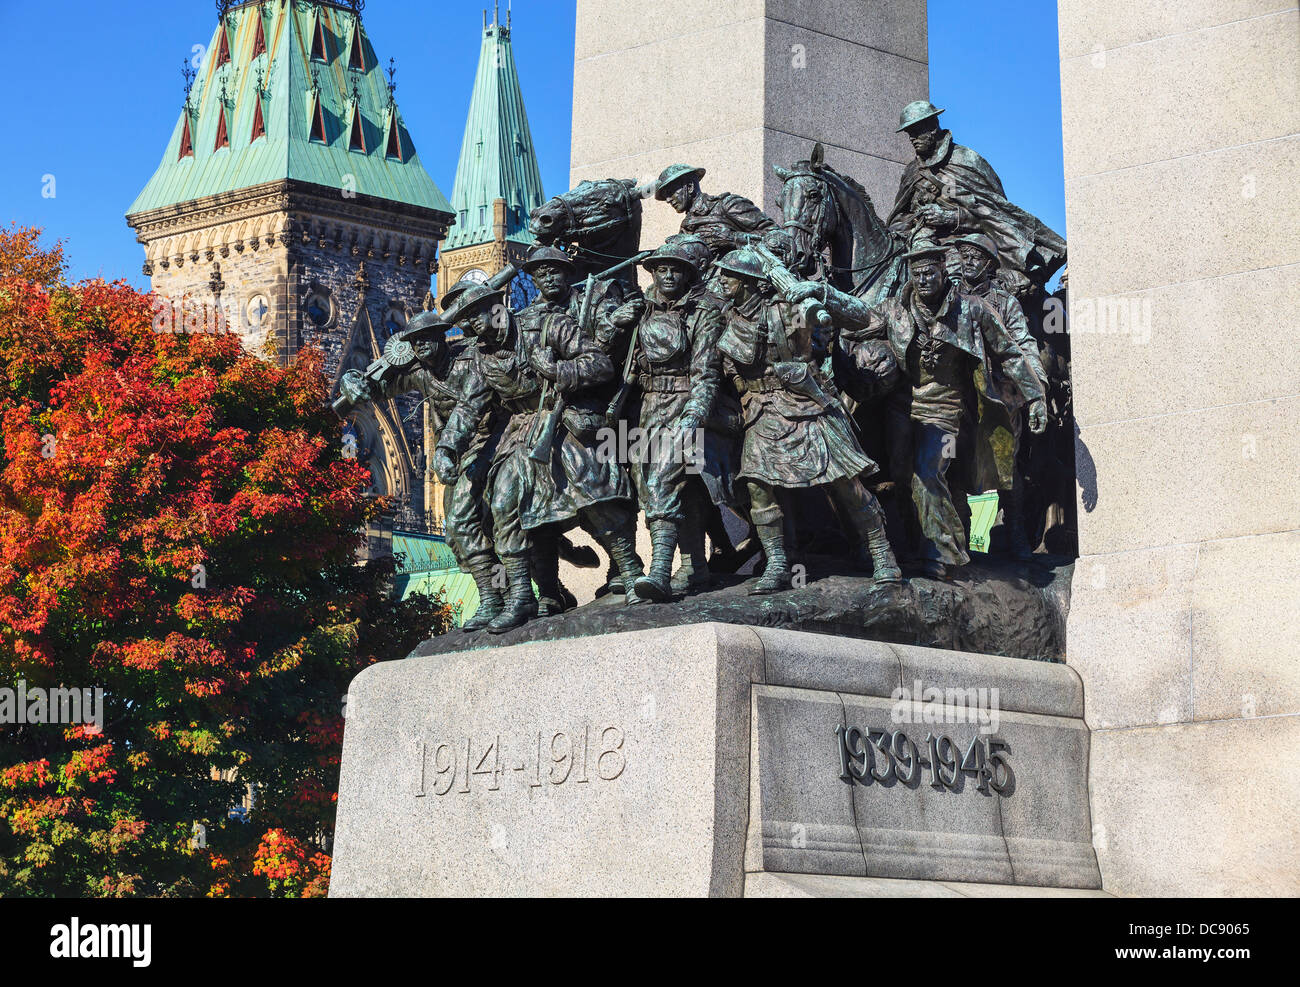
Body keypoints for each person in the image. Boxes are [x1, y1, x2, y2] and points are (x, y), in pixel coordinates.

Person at [790, 240, 1047, 580]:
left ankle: (940, 555)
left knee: (928, 470)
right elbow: (858, 313)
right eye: (917, 274)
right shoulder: (895, 309)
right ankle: (914, 546)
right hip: (903, 406)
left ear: (943, 271)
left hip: (947, 408)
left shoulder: (972, 310)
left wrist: (1035, 396)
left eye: (930, 273)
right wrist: (823, 293)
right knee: (899, 476)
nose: (924, 280)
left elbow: (1011, 354)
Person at [438, 278, 644, 633]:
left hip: (564, 419)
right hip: (520, 434)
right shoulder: (483, 356)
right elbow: (468, 408)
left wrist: (557, 372)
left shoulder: (548, 324)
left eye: (474, 317)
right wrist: (446, 448)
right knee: (503, 505)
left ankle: (631, 570)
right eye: (465, 321)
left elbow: (599, 363)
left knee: (592, 495)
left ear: (496, 309)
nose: (471, 326)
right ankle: (520, 597)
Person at [712, 248, 902, 593]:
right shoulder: (726, 317)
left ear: (750, 282)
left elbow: (864, 318)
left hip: (807, 404)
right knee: (757, 487)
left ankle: (882, 553)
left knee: (847, 485)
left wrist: (819, 293)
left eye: (730, 275)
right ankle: (778, 564)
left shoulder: (790, 311)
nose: (722, 279)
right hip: (761, 410)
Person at [336, 311, 505, 631]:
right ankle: (501, 591)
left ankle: (503, 596)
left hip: (491, 442)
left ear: (443, 337)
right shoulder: (421, 371)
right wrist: (353, 380)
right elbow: (380, 386)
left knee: (484, 522)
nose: (422, 346)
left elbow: (471, 409)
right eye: (415, 341)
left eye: (428, 338)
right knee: (456, 532)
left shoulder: (471, 360)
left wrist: (445, 450)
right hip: (459, 455)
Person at [603, 242, 733, 600]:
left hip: (684, 406)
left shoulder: (703, 313)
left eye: (676, 269)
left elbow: (707, 372)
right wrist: (613, 324)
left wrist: (694, 415)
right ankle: (695, 566)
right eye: (662, 269)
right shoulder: (640, 312)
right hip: (645, 409)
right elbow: (601, 354)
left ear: (688, 274)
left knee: (662, 481)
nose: (669, 275)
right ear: (654, 273)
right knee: (665, 487)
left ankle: (658, 573)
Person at [887, 100, 1066, 295]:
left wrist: (949, 217)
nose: (913, 139)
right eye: (909, 134)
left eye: (917, 131)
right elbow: (899, 217)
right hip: (920, 246)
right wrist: (910, 224)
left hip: (963, 246)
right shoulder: (912, 172)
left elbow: (994, 217)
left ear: (932, 127)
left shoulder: (965, 160)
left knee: (955, 278)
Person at [955, 233, 1046, 559]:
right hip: (959, 392)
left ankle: (1016, 531)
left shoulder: (1004, 302)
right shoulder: (949, 296)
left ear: (990, 264)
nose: (969, 261)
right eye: (964, 255)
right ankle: (963, 536)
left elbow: (1023, 345)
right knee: (957, 464)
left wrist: (1037, 391)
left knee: (1005, 466)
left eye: (976, 257)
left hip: (998, 392)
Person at [654, 164, 776, 274]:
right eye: (665, 196)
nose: (668, 200)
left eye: (670, 193)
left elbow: (776, 236)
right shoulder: (686, 226)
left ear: (690, 187)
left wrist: (733, 239)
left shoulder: (726, 204)